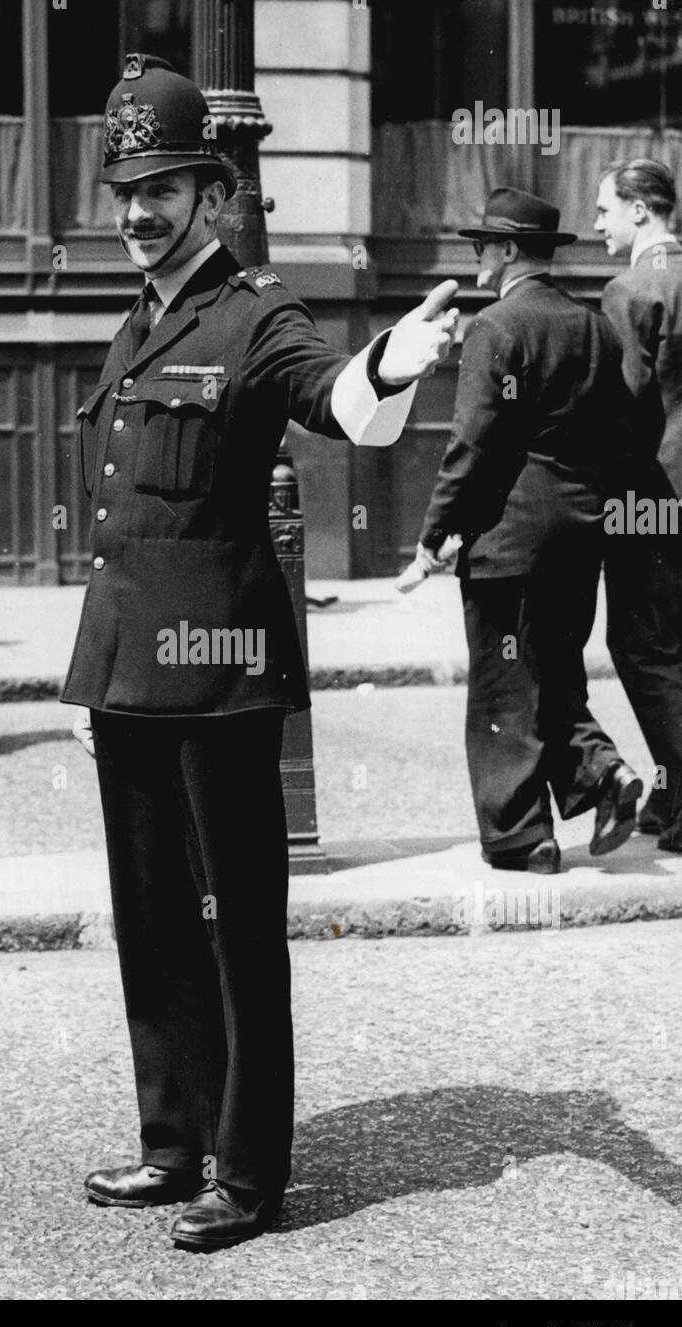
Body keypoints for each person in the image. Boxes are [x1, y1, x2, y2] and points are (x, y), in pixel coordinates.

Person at [61, 53, 458, 1252]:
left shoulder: (256, 312)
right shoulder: (139, 319)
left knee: (238, 926)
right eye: (126, 191)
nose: (139, 212)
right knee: (151, 915)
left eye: (164, 189)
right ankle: (170, 1141)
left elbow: (334, 401)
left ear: (216, 191)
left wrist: (392, 362)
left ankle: (248, 1171)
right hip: (127, 664)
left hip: (222, 673)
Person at [416, 187, 642, 874]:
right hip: (578, 531)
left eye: (482, 245)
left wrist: (433, 532)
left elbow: (472, 444)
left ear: (509, 250)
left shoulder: (494, 328)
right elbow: (619, 431)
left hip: (507, 536)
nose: (476, 257)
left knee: (501, 687)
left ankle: (523, 837)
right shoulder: (593, 327)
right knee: (552, 672)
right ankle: (600, 775)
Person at [594, 158, 682, 852]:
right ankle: (670, 794)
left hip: (651, 497)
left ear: (640, 211)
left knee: (641, 646)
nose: (596, 224)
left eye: (604, 210)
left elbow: (621, 407)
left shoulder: (631, 289)